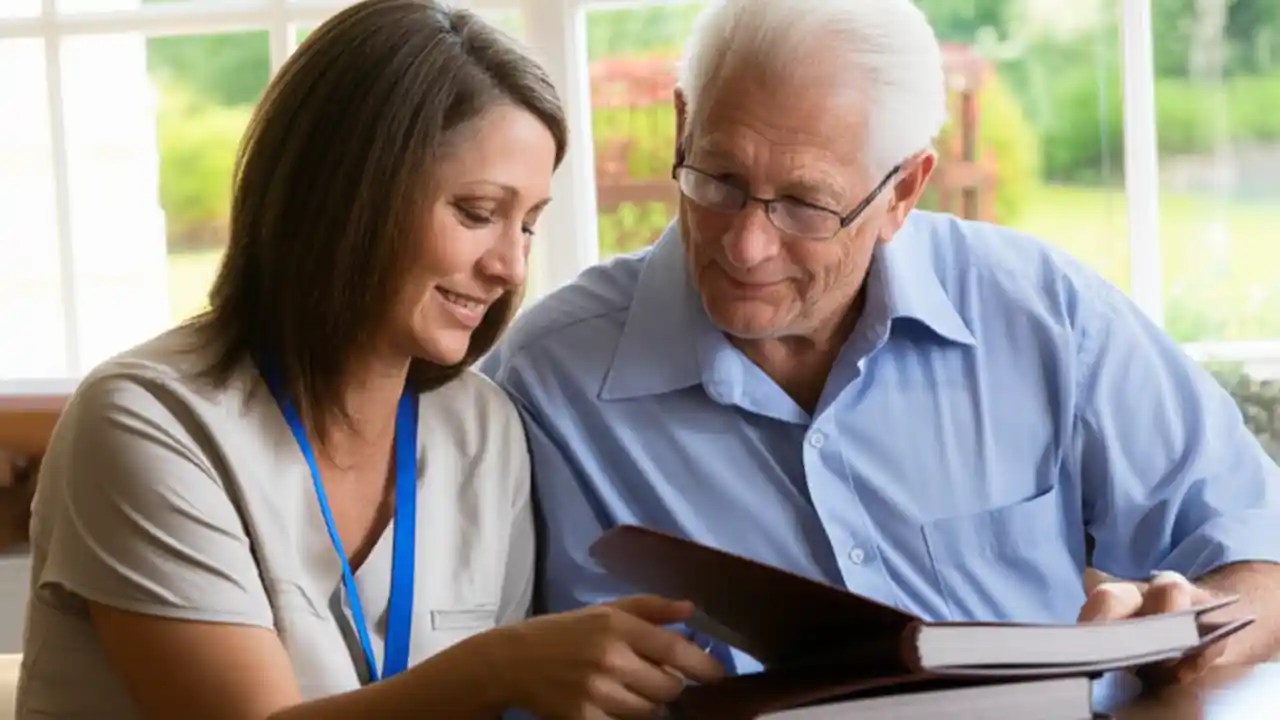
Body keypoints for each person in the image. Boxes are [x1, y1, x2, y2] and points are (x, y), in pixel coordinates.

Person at [481, 0, 1280, 686]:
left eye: (804, 204)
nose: (746, 246)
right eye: (719, 180)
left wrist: (1191, 631)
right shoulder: (548, 381)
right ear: (684, 125)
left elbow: (1262, 552)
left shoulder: (1043, 313)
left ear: (903, 190)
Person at [15, 2, 722, 718]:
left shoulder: (484, 431)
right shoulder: (146, 423)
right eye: (478, 212)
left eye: (530, 224)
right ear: (348, 192)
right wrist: (502, 666)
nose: (511, 266)